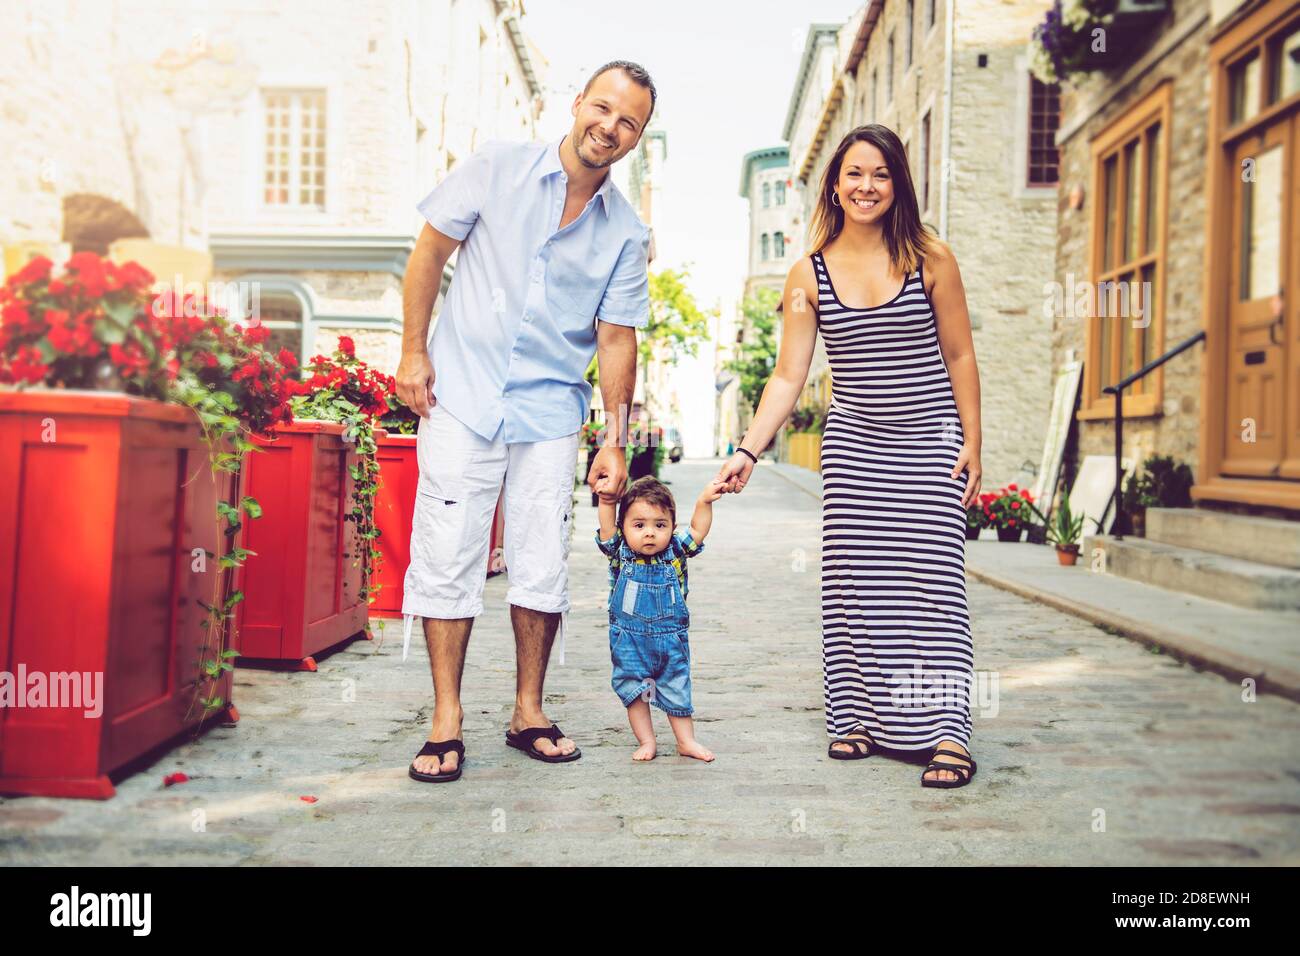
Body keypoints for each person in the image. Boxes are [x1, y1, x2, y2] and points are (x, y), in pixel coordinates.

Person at [395, 61, 657, 783]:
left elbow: (615, 338)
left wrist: (615, 440)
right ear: (577, 104)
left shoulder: (626, 234)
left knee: (542, 558)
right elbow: (428, 253)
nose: (609, 126)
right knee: (448, 548)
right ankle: (446, 719)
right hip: (461, 394)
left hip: (547, 412)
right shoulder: (497, 166)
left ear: (637, 138)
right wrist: (413, 351)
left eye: (627, 121)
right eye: (602, 107)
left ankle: (527, 711)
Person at [715, 124, 983, 788]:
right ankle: (858, 716)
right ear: (835, 183)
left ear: (899, 185)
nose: (867, 186)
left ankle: (947, 729)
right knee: (858, 587)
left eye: (881, 174)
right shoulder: (807, 271)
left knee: (934, 586)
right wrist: (749, 449)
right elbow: (788, 375)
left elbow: (959, 354)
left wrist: (973, 439)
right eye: (855, 174)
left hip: (927, 445)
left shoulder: (933, 259)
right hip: (857, 449)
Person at [596, 476, 722, 762]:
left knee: (677, 686)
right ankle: (647, 741)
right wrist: (606, 501)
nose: (650, 533)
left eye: (660, 525)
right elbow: (605, 531)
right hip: (629, 639)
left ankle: (686, 741)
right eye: (639, 525)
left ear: (672, 527)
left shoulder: (676, 550)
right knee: (634, 688)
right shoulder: (619, 551)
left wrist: (704, 501)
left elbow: (698, 531)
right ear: (623, 527)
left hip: (670, 639)